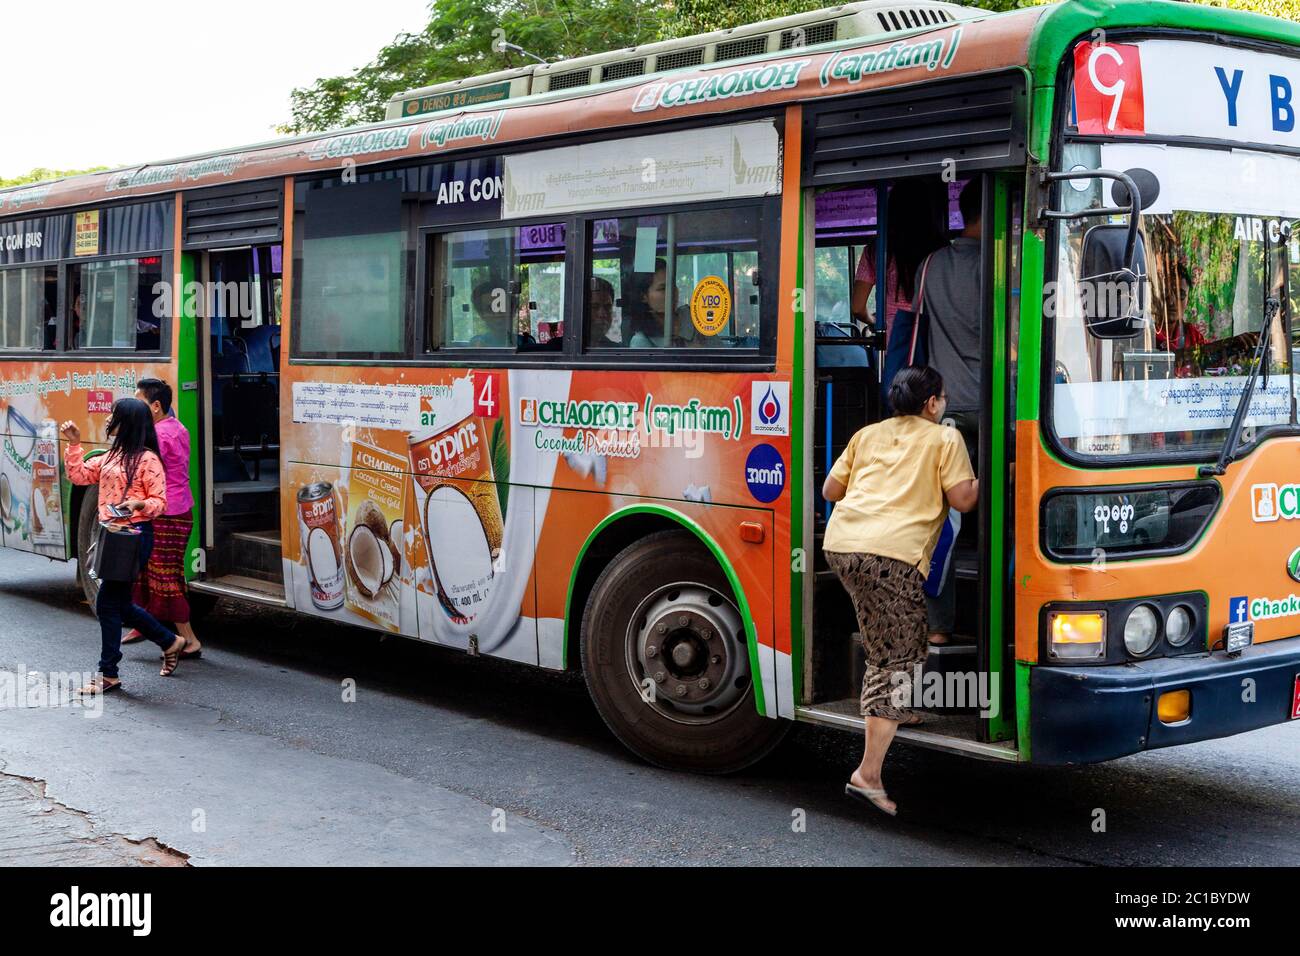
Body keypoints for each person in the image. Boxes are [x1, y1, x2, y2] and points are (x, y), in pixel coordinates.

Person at [822, 366, 977, 816]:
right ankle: (867, 774)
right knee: (898, 660)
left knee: (894, 634)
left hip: (844, 546)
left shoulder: (867, 434)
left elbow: (831, 490)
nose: (944, 403)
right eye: (943, 397)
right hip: (890, 557)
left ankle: (899, 710)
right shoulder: (945, 438)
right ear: (932, 403)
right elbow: (964, 499)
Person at [62, 399, 187, 694]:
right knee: (118, 603)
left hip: (134, 536)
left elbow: (160, 503)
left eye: (114, 416)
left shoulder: (148, 460)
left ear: (127, 423)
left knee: (107, 603)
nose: (109, 420)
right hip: (110, 536)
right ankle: (169, 640)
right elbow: (78, 476)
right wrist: (75, 445)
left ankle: (109, 673)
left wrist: (139, 503)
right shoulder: (111, 456)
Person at [921, 177, 983, 646]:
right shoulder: (1003, 265)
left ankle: (939, 627)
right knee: (1004, 514)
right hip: (998, 414)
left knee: (942, 523)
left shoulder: (930, 265)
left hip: (945, 415)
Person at [121, 379, 201, 659]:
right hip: (175, 510)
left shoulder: (158, 437)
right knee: (148, 571)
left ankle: (189, 639)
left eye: (139, 403)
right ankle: (144, 623)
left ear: (156, 407)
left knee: (166, 577)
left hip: (167, 513)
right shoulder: (174, 427)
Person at [850, 178, 949, 340]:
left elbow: (857, 308)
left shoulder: (878, 249)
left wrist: (874, 321)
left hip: (894, 340)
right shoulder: (941, 248)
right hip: (932, 340)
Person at [588, 277, 622, 346]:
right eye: (594, 307)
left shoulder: (615, 352)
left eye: (608, 307)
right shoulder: (562, 349)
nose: (603, 314)